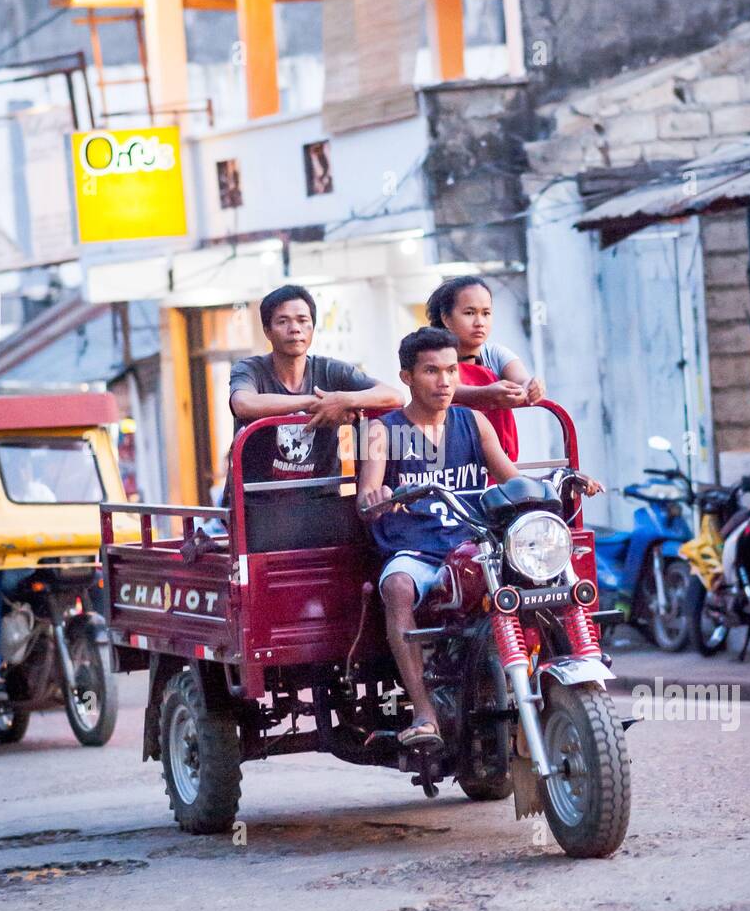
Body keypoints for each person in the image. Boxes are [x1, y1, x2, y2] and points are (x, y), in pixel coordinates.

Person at [359, 326, 603, 749]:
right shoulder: (383, 431)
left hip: (475, 547)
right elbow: (366, 495)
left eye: (451, 370)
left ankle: (575, 677)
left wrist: (561, 483)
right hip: (415, 551)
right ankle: (424, 712)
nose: (445, 381)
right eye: (431, 371)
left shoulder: (472, 421)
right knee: (396, 586)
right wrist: (377, 497)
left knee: (546, 575)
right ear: (407, 377)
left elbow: (513, 482)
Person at [229, 284, 402, 485]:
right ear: (267, 331)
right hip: (261, 500)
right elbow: (243, 404)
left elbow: (394, 395)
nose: (294, 329)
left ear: (313, 326)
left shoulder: (332, 370)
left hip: (323, 496)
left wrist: (343, 400)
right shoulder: (249, 369)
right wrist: (315, 403)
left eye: (303, 321)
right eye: (282, 321)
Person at [426, 274, 546, 461]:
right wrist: (487, 395)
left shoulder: (495, 354)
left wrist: (531, 387)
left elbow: (522, 380)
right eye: (469, 313)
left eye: (486, 313)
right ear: (446, 319)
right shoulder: (431, 355)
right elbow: (443, 390)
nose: (479, 322)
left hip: (496, 462)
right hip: (449, 463)